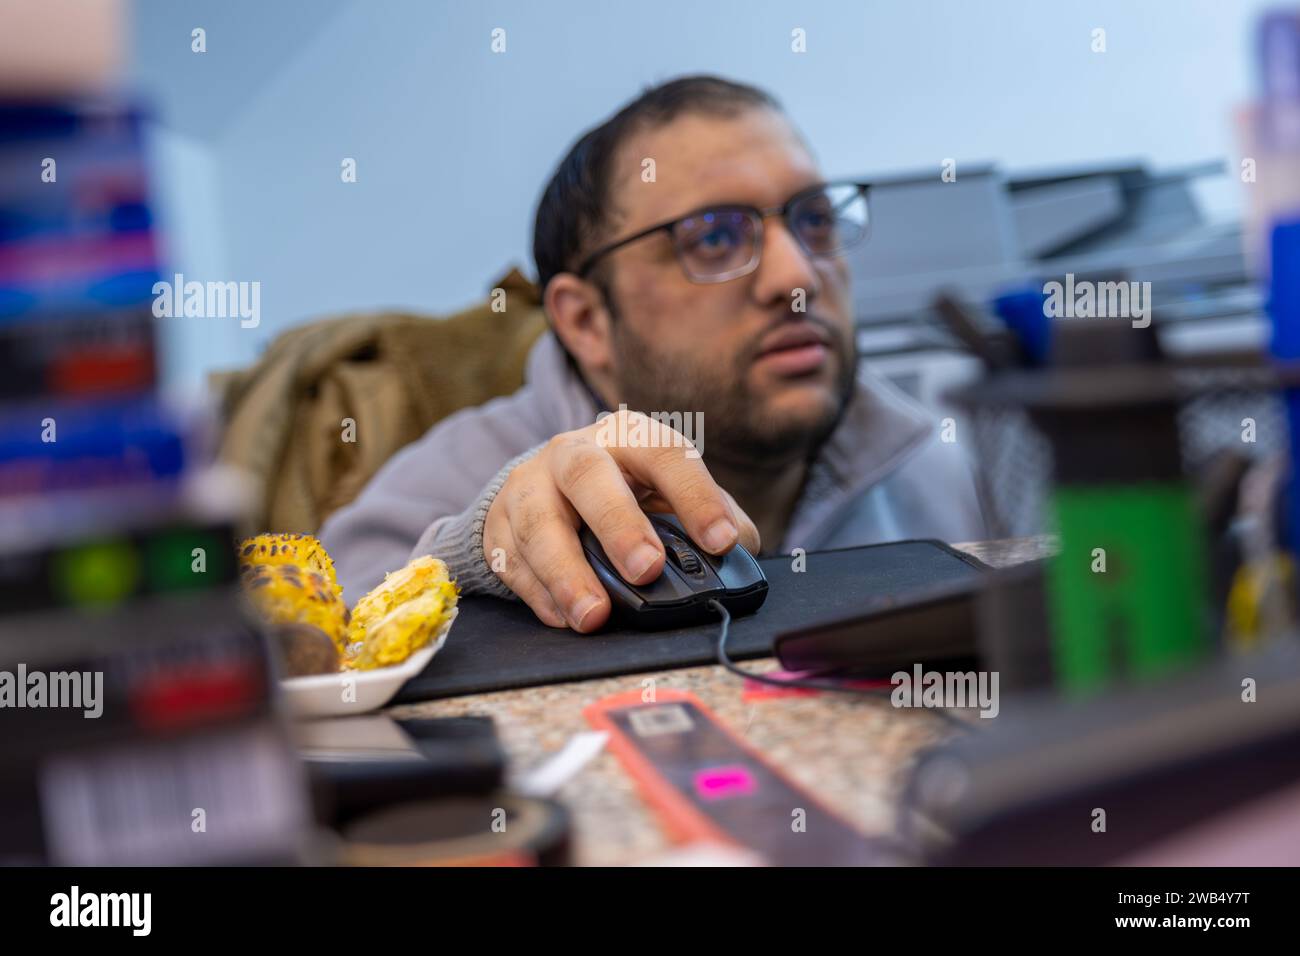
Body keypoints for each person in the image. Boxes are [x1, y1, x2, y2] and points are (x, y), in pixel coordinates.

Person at [319, 75, 985, 631]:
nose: (798, 278)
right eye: (716, 237)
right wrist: (471, 558)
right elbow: (317, 653)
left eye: (814, 220)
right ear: (586, 322)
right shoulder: (451, 470)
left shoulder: (938, 465)